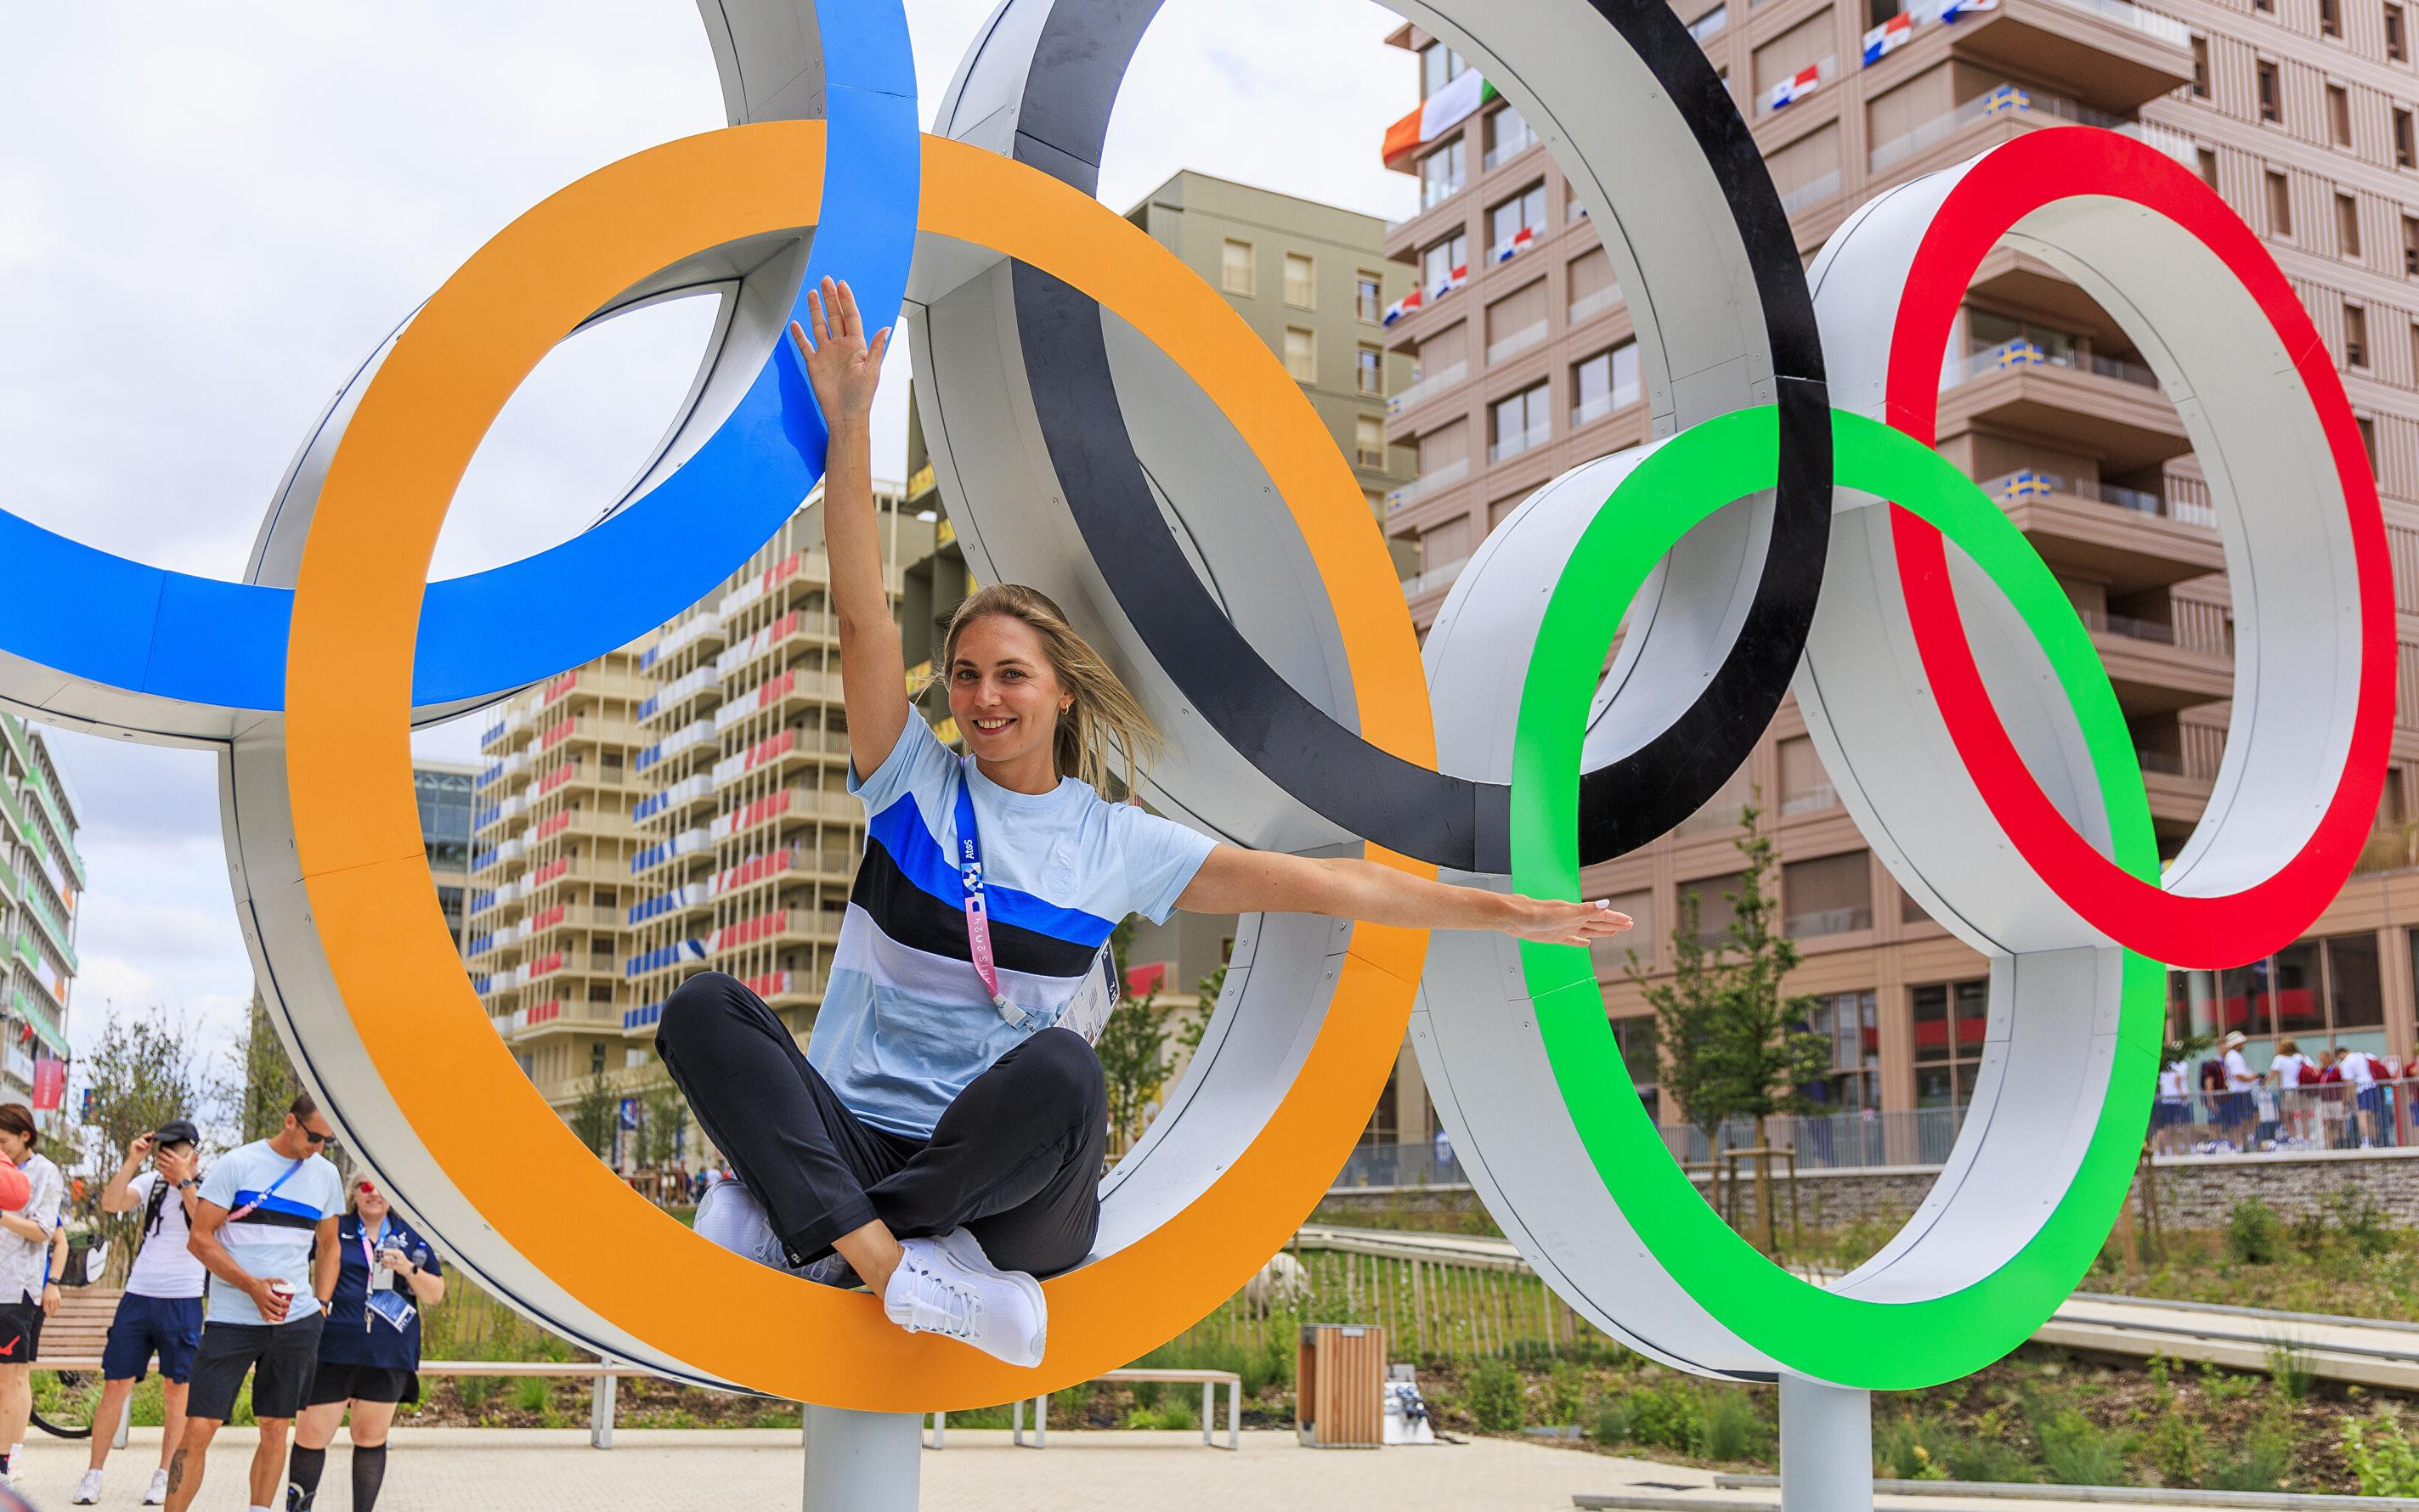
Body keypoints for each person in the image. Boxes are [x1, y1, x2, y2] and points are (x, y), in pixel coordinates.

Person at [660, 279, 1632, 1368]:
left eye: (1011, 674)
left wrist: (1507, 911)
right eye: (966, 674)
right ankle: (892, 1268)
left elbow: (1335, 884)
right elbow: (859, 617)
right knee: (704, 1009)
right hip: (862, 1141)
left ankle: (817, 1229)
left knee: (1066, 1075)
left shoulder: (1116, 843)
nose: (983, 697)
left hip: (1006, 1199)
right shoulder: (909, 784)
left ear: (1061, 691)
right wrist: (852, 422)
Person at [166, 1093, 343, 1512]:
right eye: (314, 1137)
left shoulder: (326, 1175)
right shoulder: (238, 1163)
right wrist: (252, 1287)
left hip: (295, 1321)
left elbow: (329, 1245)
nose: (318, 1147)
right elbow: (200, 1239)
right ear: (290, 1122)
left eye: (327, 1141)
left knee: (276, 1427)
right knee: (200, 1426)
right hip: (232, 1319)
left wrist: (321, 1304)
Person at [284, 1175, 444, 1512]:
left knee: (370, 1440)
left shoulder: (411, 1236)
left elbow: (434, 1295)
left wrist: (408, 1269)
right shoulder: (335, 1228)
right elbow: (293, 1264)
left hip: (387, 1353)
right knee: (311, 1436)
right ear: (353, 1194)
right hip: (332, 1349)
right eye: (366, 1187)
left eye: (382, 1187)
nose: (374, 1194)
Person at [75, 1120, 207, 1507]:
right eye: (162, 1149)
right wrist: (133, 1161)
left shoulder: (209, 1186)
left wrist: (184, 1181)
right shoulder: (150, 1183)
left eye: (175, 1150)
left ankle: (164, 1474)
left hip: (183, 1297)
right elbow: (111, 1203)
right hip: (139, 1295)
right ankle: (93, 1474)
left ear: (193, 1153)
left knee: (176, 1390)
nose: (166, 1156)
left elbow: (204, 1224)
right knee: (116, 1382)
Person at [0, 1105, 63, 1487]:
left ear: (25, 1135)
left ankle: (10, 1457)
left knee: (13, 1375)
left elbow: (43, 1231)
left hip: (17, 1287)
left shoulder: (44, 1173)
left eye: (3, 1140)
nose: (0, 1148)